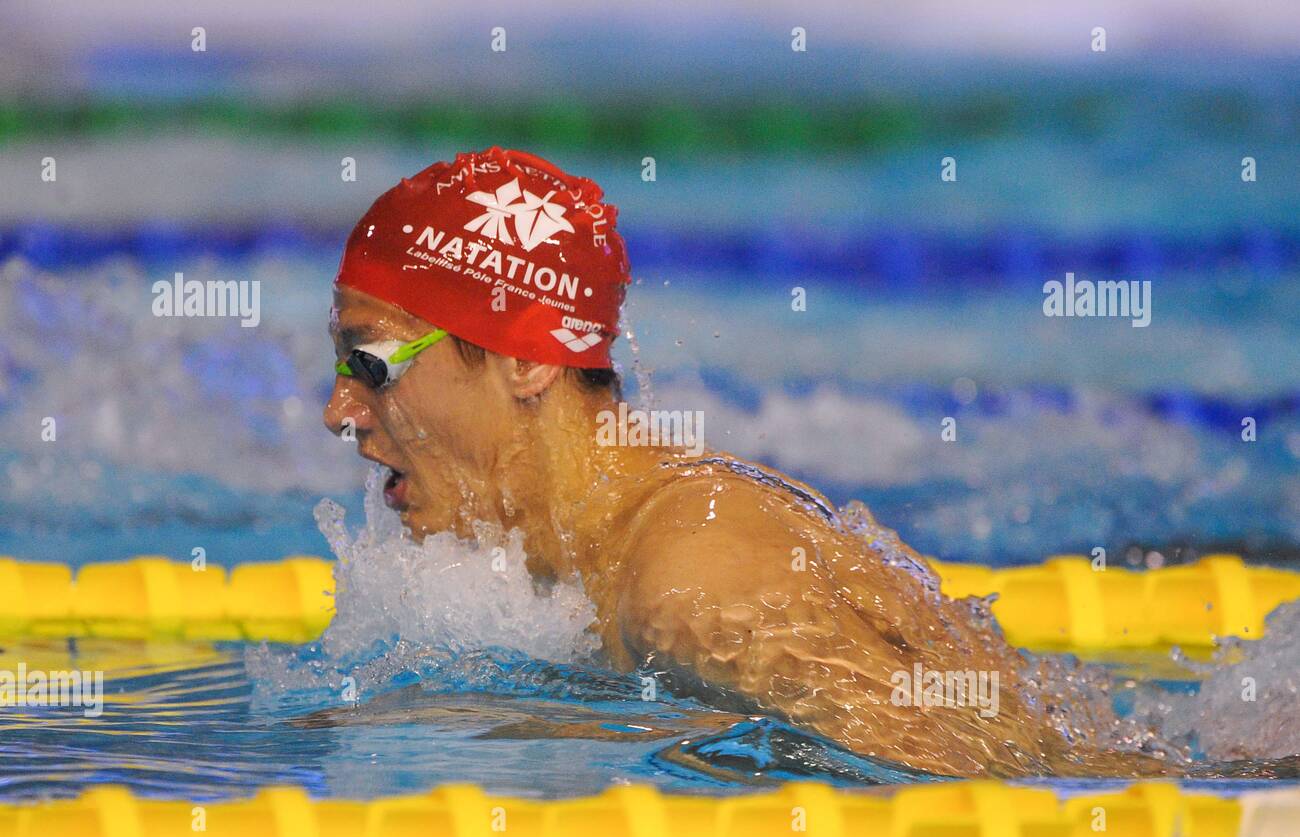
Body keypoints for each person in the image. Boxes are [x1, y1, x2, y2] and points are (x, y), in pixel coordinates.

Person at [324, 146, 1150, 777]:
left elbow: (995, 807)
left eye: (372, 364)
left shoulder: (692, 586)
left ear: (528, 361)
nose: (339, 411)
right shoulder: (585, 561)